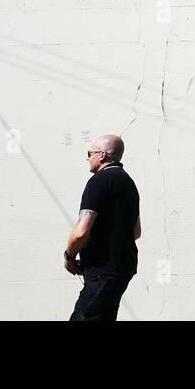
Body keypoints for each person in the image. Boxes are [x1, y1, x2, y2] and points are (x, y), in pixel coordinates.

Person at [65, 134, 141, 320]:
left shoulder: (98, 181)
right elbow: (136, 232)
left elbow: (81, 232)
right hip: (122, 268)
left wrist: (69, 256)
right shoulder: (129, 184)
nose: (87, 158)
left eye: (89, 153)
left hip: (102, 272)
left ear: (102, 155)